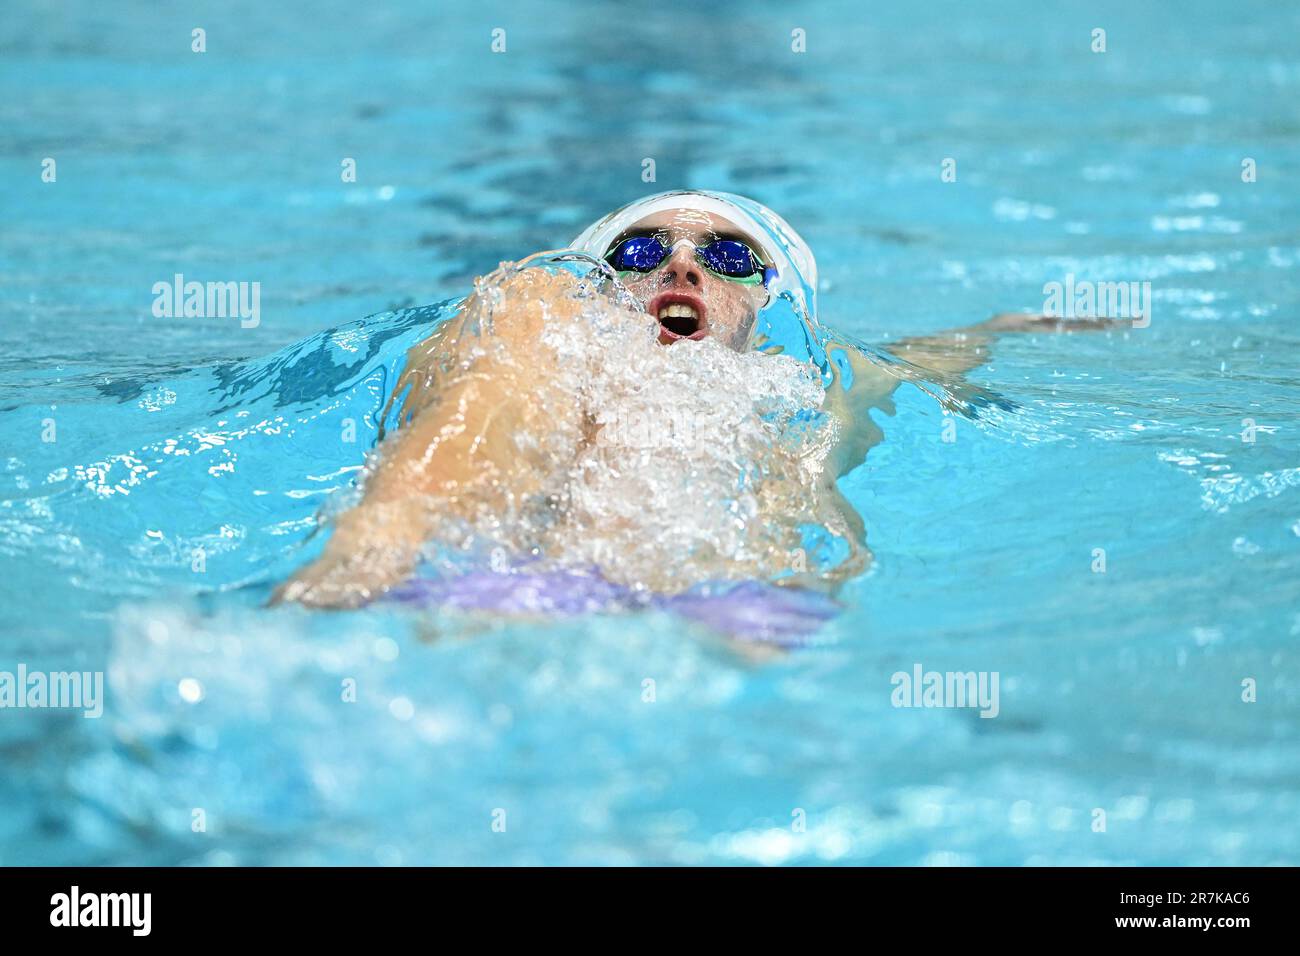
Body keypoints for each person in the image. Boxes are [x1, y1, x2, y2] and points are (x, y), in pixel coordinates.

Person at [274, 190, 1108, 608]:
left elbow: (931, 359)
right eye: (641, 250)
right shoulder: (538, 336)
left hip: (742, 603)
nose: (681, 268)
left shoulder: (817, 378)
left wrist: (1012, 322)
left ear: (770, 305)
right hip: (501, 587)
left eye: (729, 257)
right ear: (597, 285)